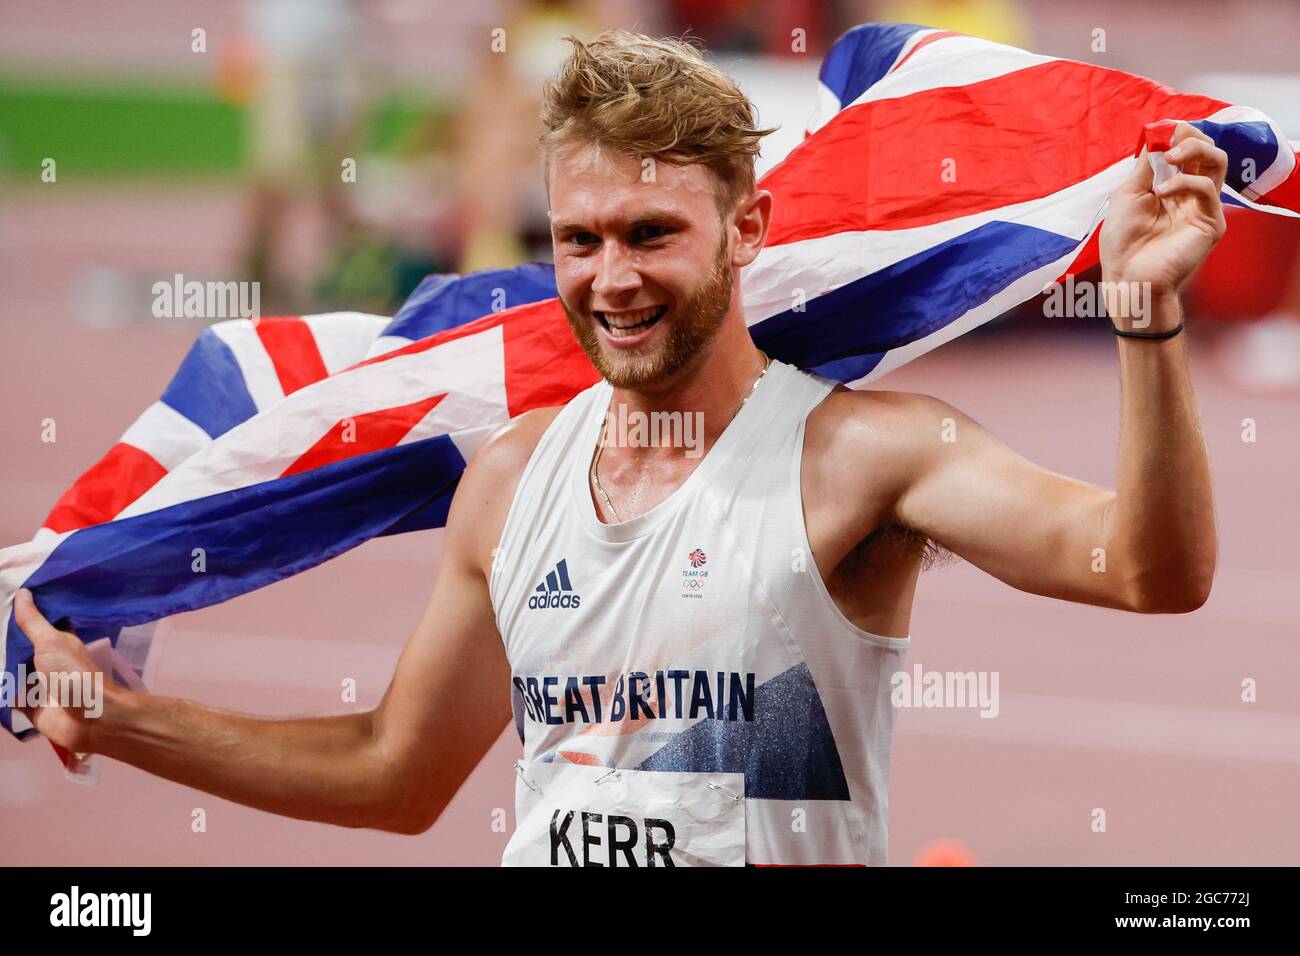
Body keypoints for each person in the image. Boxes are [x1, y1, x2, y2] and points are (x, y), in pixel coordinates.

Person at [14, 30, 1225, 867]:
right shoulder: (510, 477)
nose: (611, 277)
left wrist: (1145, 320)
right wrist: (119, 717)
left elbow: (1146, 569)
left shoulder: (864, 458)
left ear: (748, 227)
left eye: (651, 233)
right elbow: (394, 768)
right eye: (577, 239)